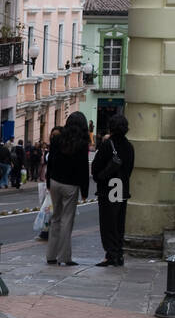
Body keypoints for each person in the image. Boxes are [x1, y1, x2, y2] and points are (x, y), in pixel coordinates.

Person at [45, 111, 90, 266]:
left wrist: (48, 182)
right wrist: (85, 191)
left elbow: (50, 161)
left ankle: (50, 255)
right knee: (67, 220)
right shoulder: (82, 144)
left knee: (55, 218)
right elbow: (84, 169)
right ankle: (64, 257)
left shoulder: (57, 139)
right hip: (71, 185)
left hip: (55, 181)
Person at [91, 113, 134, 266]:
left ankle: (111, 255)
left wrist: (100, 177)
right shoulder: (129, 146)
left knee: (108, 223)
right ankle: (119, 253)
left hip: (108, 189)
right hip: (122, 188)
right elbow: (129, 169)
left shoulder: (107, 145)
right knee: (119, 222)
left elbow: (95, 168)